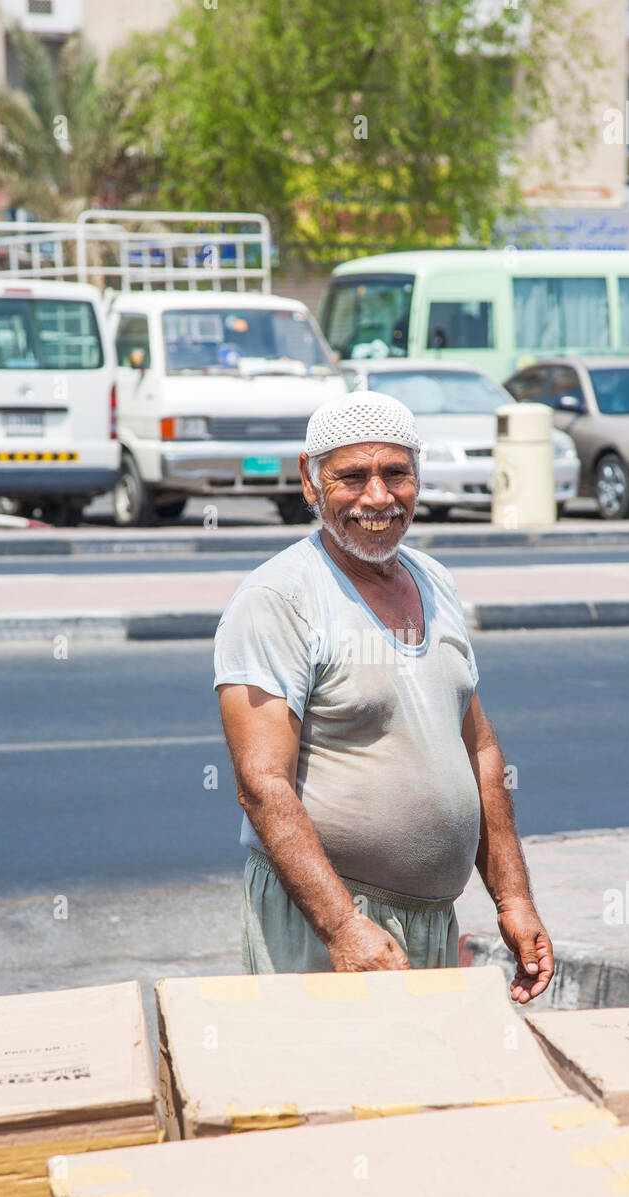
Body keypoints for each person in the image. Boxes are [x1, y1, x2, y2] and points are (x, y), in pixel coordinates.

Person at [213, 391, 554, 1000]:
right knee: (327, 1090)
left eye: (395, 473)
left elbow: (478, 749)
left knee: (423, 1092)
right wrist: (344, 926)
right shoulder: (278, 599)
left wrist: (513, 898)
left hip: (429, 922)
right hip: (326, 918)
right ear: (311, 482)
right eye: (353, 476)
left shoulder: (434, 581)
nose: (378, 497)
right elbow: (261, 785)